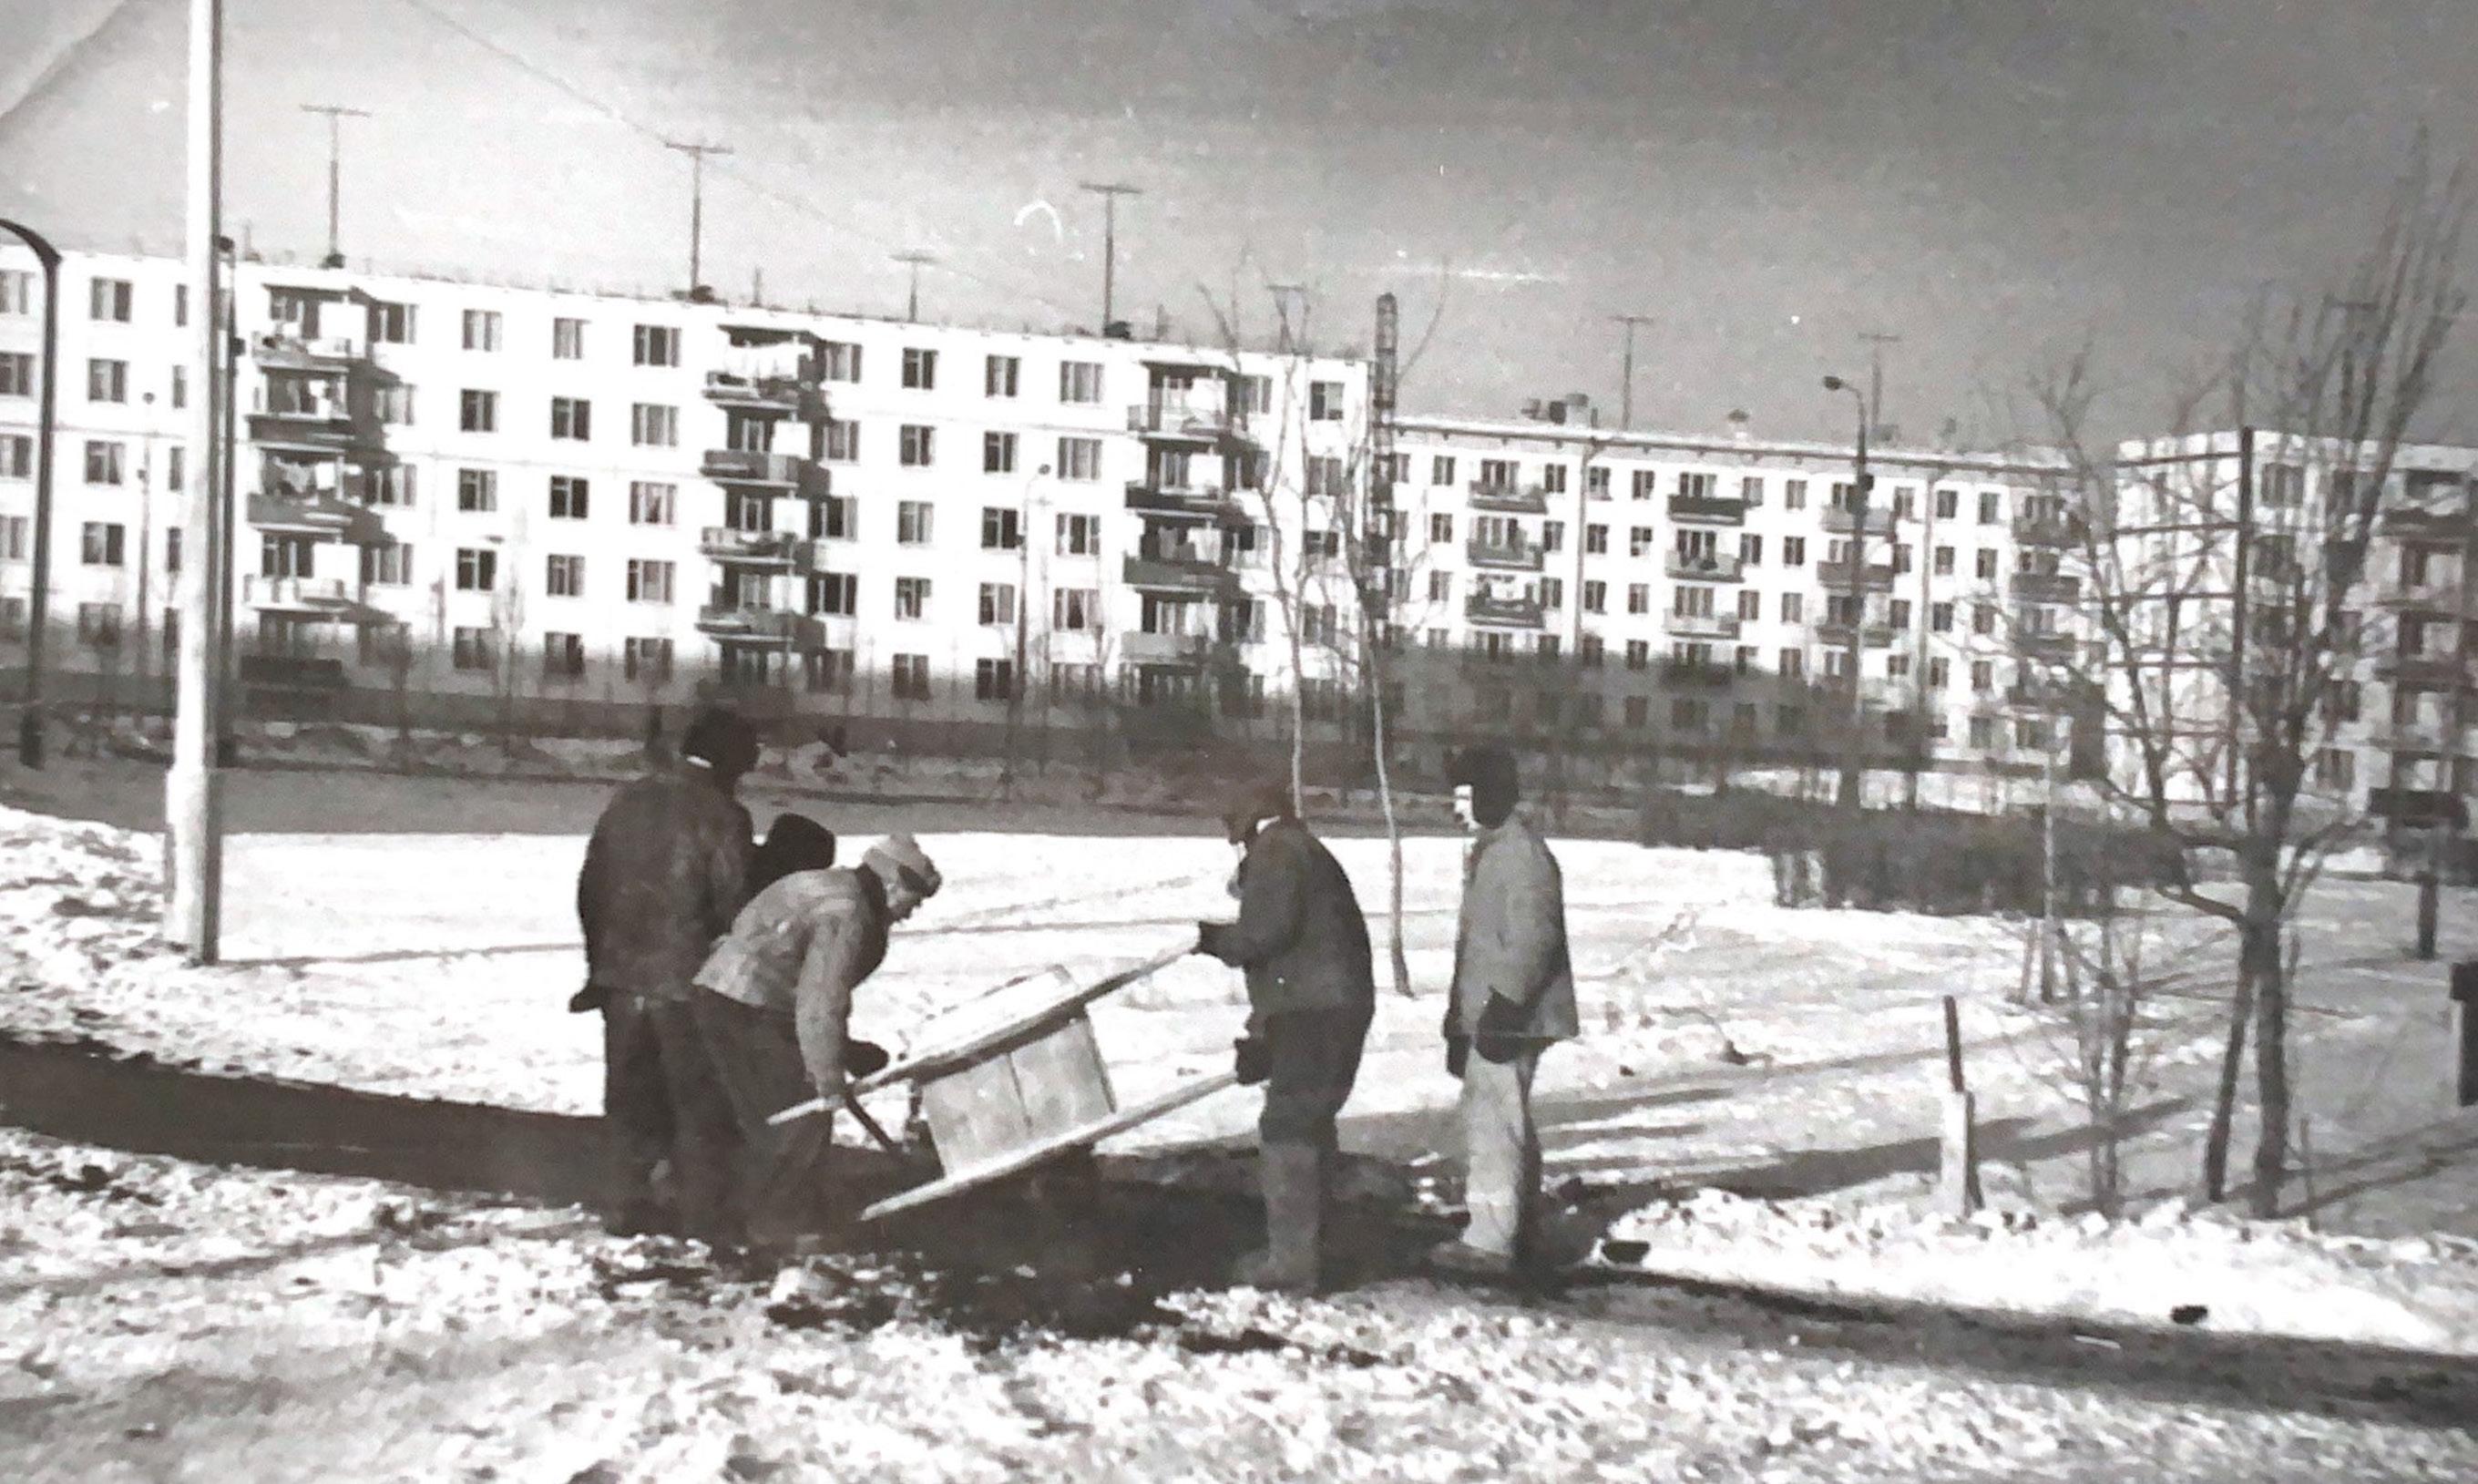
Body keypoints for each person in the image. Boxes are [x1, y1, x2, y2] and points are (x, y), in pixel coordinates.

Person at [687, 832, 943, 1247]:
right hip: (749, 1007)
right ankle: (781, 1228)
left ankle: (735, 1214)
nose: (908, 915)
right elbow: (821, 999)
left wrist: (845, 1052)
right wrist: (827, 1075)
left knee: (764, 1113)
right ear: (895, 883)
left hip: (724, 994)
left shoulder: (829, 884)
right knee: (801, 1117)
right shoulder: (849, 914)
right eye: (911, 904)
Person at [573, 704, 760, 1238]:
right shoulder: (724, 816)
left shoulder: (627, 800)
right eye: (749, 757)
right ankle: (703, 1219)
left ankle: (627, 1207)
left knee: (630, 1101)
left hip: (621, 978)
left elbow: (590, 889)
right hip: (687, 986)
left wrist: (600, 966)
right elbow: (736, 908)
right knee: (697, 1107)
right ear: (730, 760)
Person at [1193, 777, 1375, 1293]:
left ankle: (1292, 1267)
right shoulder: (1298, 848)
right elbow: (1283, 958)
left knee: (1287, 1127)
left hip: (1315, 1013)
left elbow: (1264, 937)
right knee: (1309, 1122)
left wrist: (1213, 940)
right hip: (1326, 1007)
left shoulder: (1278, 852)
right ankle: (1311, 1248)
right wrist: (1261, 1035)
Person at [1431, 743, 1576, 1278]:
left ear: (1492, 797)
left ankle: (1490, 1242)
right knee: (1503, 1121)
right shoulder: (1495, 851)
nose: (1456, 808)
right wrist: (1458, 1021)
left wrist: (1506, 1007)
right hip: (1493, 1011)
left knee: (1495, 1125)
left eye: (1465, 796)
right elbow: (1480, 945)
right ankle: (1518, 1225)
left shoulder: (1520, 855)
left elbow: (1534, 939)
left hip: (1512, 1014)